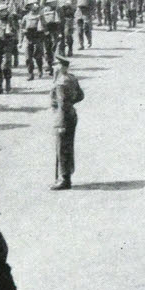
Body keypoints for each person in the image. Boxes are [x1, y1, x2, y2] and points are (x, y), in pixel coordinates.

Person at [50, 53, 83, 190]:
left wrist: (61, 120)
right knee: (67, 147)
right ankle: (65, 176)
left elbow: (62, 104)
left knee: (62, 148)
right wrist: (71, 102)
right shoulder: (71, 78)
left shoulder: (60, 83)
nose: (54, 67)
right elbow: (81, 95)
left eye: (56, 65)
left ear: (61, 66)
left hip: (62, 118)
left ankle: (64, 179)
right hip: (71, 115)